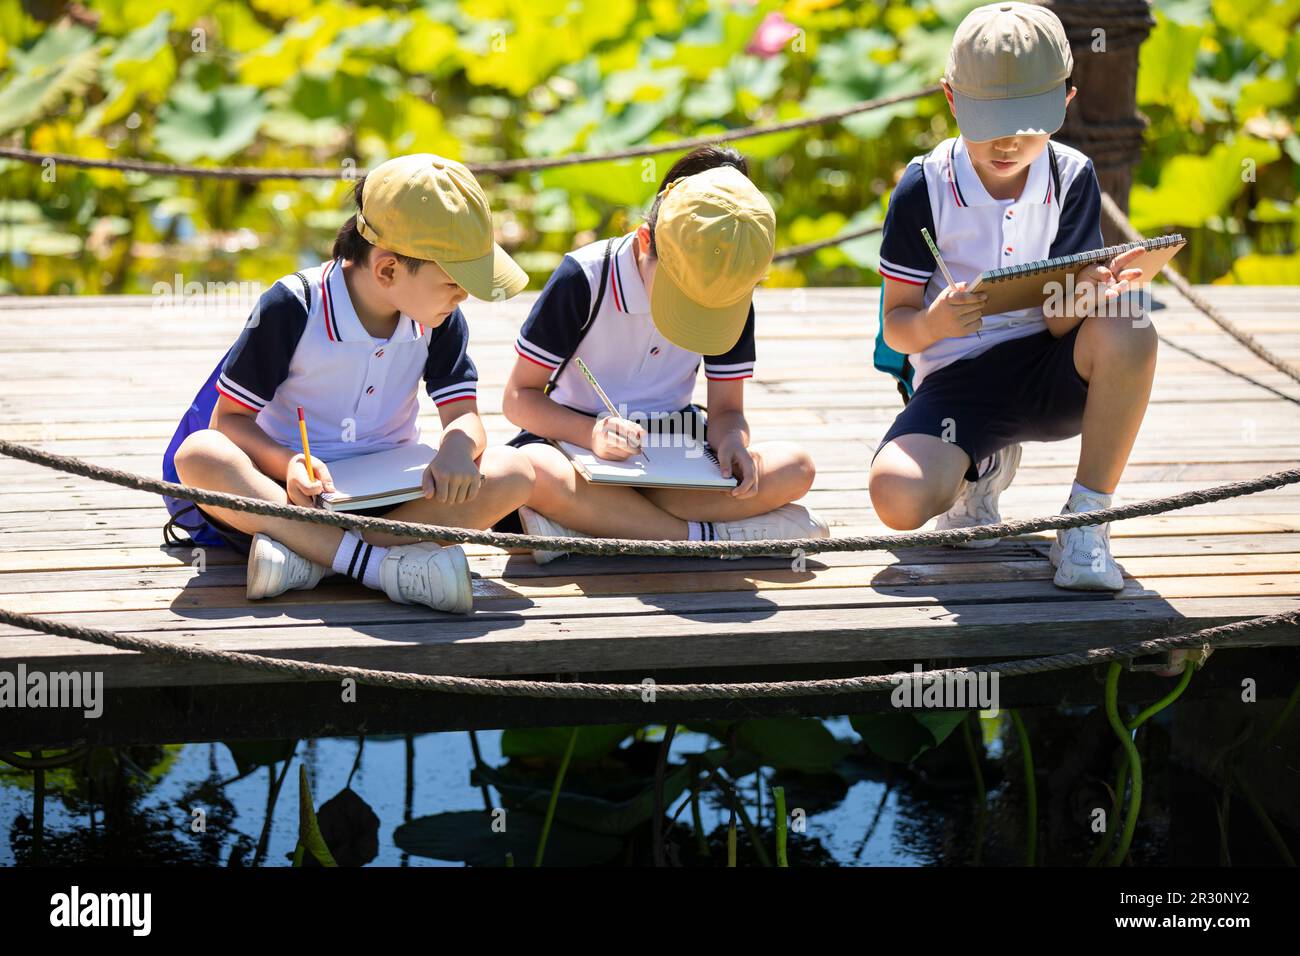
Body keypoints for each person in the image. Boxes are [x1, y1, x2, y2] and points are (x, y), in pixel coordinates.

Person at [167, 155, 535, 613]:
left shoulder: (440, 318)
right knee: (199, 454)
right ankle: (380, 567)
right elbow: (230, 422)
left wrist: (457, 450)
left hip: (395, 502)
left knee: (514, 472)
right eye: (455, 282)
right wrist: (290, 464)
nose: (463, 295)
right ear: (387, 270)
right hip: (290, 495)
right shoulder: (293, 305)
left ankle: (311, 558)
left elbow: (462, 414)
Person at [868, 2, 1154, 592]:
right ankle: (982, 468)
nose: (1008, 140)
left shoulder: (1071, 175)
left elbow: (1058, 322)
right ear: (951, 100)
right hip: (956, 378)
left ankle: (1087, 520)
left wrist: (1097, 291)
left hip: (1050, 368)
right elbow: (895, 329)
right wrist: (933, 323)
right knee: (896, 497)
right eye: (989, 119)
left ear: (1066, 102)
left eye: (1028, 121)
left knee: (1129, 321)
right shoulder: (925, 185)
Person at [498, 146, 826, 564]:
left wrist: (732, 443)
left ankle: (585, 528)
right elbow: (517, 398)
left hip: (677, 455)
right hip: (573, 445)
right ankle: (708, 538)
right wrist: (592, 433)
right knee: (531, 469)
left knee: (795, 467)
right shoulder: (585, 277)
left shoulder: (729, 288)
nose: (697, 312)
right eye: (682, 296)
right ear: (645, 239)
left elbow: (728, 412)